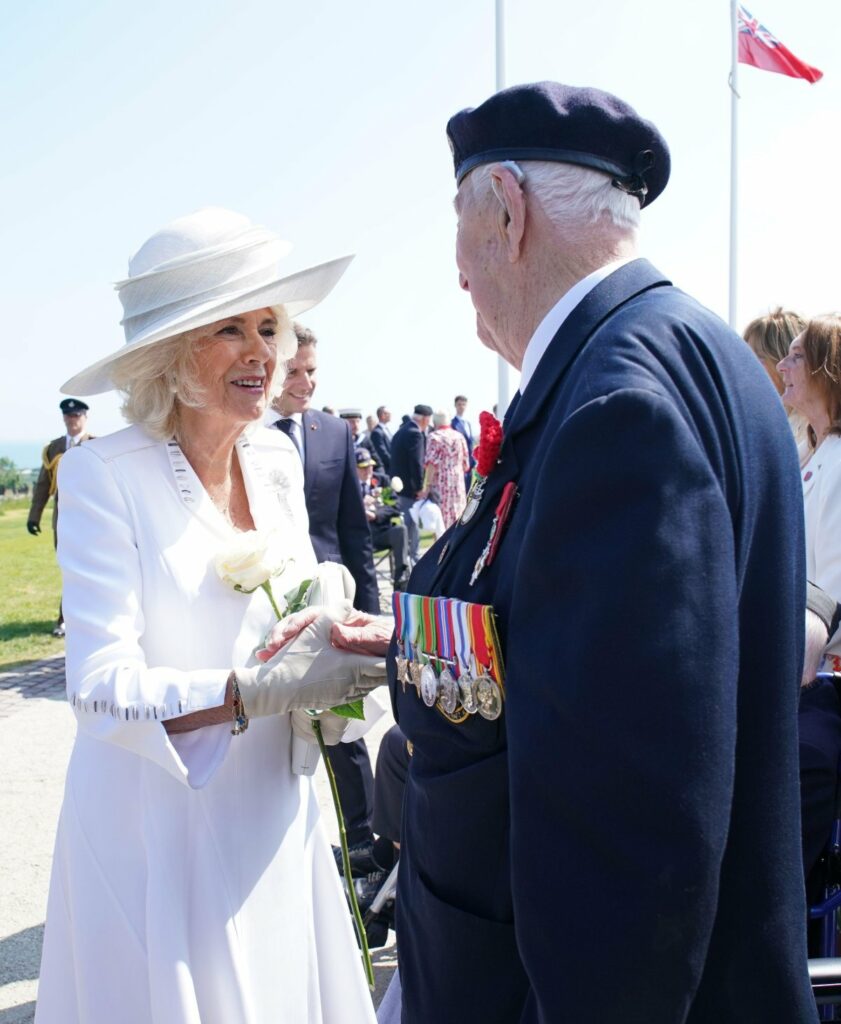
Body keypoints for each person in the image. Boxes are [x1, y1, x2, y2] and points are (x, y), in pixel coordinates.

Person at [384, 82, 814, 1022]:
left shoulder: (614, 401)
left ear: (506, 209)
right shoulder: (694, 352)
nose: (457, 270)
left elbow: (626, 835)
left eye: (460, 228)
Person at [35, 208, 384, 1024]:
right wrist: (247, 690)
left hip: (276, 808)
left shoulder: (276, 456)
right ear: (168, 357)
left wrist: (335, 670)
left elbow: (295, 625)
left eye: (271, 325)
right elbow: (97, 687)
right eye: (230, 328)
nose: (263, 349)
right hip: (158, 828)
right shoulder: (100, 478)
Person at [266, 323, 382, 869]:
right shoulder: (240, 435)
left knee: (343, 726)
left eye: (312, 371)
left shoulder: (334, 433)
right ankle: (279, 852)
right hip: (263, 607)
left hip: (331, 607)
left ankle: (362, 846)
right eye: (294, 371)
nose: (306, 382)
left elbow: (353, 531)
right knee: (266, 733)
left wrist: (375, 619)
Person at [778, 315, 841, 675]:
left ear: (830, 368)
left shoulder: (838, 461)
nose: (782, 367)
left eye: (797, 357)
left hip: (822, 681)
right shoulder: (807, 453)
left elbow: (832, 601)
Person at [27, 398, 94, 636]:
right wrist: (34, 516)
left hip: (91, 520)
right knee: (69, 569)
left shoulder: (97, 445)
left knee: (93, 569)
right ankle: (66, 619)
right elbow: (43, 485)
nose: (71, 420)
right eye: (68, 416)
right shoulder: (54, 449)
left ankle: (90, 618)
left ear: (85, 417)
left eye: (76, 415)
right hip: (63, 519)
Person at [743, 307, 808, 455]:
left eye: (757, 358)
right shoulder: (761, 426)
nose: (745, 368)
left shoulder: (815, 434)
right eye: (745, 358)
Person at [355, 448, 409, 592]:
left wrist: (377, 514)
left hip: (382, 531)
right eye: (363, 467)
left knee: (400, 531)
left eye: (370, 465)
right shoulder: (350, 485)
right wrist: (361, 508)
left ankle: (401, 578)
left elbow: (396, 506)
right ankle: (368, 587)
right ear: (354, 469)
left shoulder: (381, 480)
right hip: (361, 536)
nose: (368, 470)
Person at [389, 404, 431, 563]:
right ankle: (412, 560)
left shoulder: (401, 431)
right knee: (411, 527)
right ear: (426, 419)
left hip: (399, 487)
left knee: (406, 525)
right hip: (410, 489)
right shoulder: (415, 434)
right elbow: (416, 463)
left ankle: (406, 559)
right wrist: (420, 487)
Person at [424, 410, 469, 528]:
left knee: (441, 520)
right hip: (458, 481)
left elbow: (431, 464)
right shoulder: (459, 436)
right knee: (458, 515)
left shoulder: (434, 437)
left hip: (441, 482)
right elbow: (466, 464)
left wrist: (427, 485)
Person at [450, 393, 474, 487]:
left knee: (468, 489)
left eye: (463, 404)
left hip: (470, 462)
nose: (461, 407)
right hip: (458, 463)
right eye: (459, 404)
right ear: (455, 406)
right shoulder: (452, 423)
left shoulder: (468, 423)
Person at [369, 405, 393, 473]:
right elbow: (382, 453)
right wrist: (394, 463)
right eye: (388, 413)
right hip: (385, 469)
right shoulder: (377, 432)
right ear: (383, 415)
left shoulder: (386, 430)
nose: (390, 415)